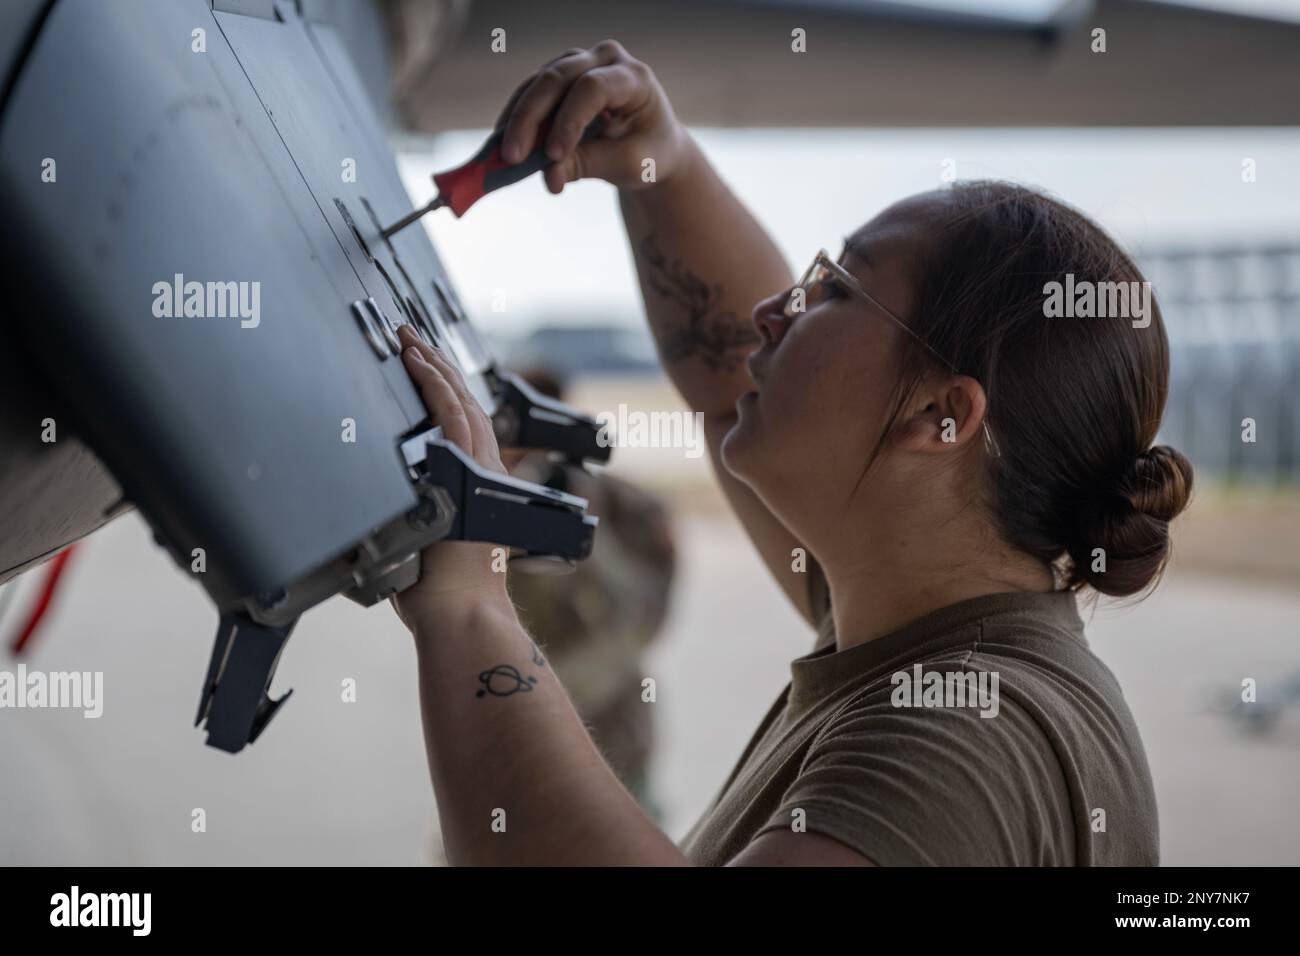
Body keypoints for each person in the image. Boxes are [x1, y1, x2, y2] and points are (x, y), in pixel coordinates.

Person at [388, 40, 1192, 866]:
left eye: (837, 288)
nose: (780, 307)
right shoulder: (911, 622)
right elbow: (727, 368)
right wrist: (661, 162)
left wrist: (467, 607)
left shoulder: (964, 738)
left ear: (941, 415)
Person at [501, 368, 675, 813]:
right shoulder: (486, 508)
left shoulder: (625, 506)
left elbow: (645, 617)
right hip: (512, 741)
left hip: (609, 736)